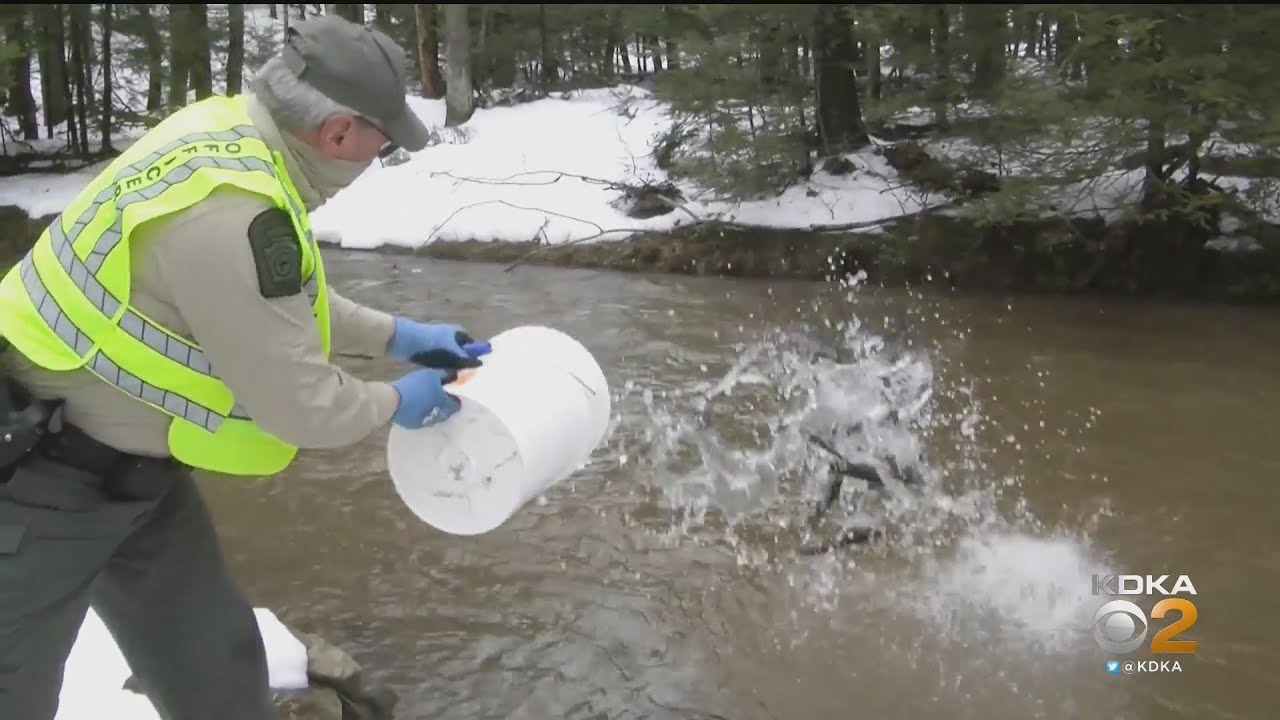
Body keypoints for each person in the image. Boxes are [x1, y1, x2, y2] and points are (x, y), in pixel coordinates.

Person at [0, 15, 484, 720]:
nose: (378, 155)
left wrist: (402, 336)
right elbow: (300, 405)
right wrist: (397, 403)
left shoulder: (230, 136)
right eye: (381, 142)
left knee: (217, 673)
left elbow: (281, 304)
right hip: (40, 486)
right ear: (340, 132)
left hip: (140, 484)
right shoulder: (231, 210)